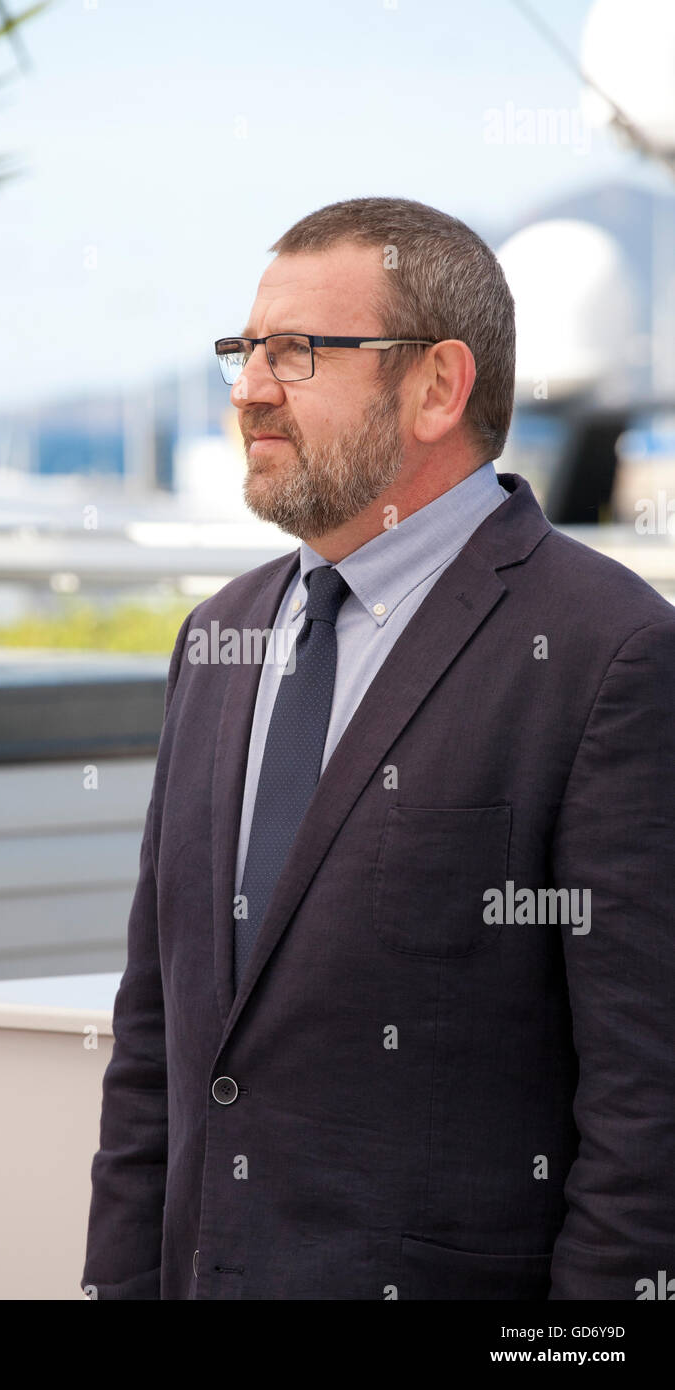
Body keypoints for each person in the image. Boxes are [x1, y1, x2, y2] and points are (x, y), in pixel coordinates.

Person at [81, 196, 675, 1300]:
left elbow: (648, 1111)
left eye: (297, 353)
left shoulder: (609, 654)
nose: (249, 388)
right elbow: (155, 1043)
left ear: (436, 386)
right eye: (243, 351)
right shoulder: (218, 635)